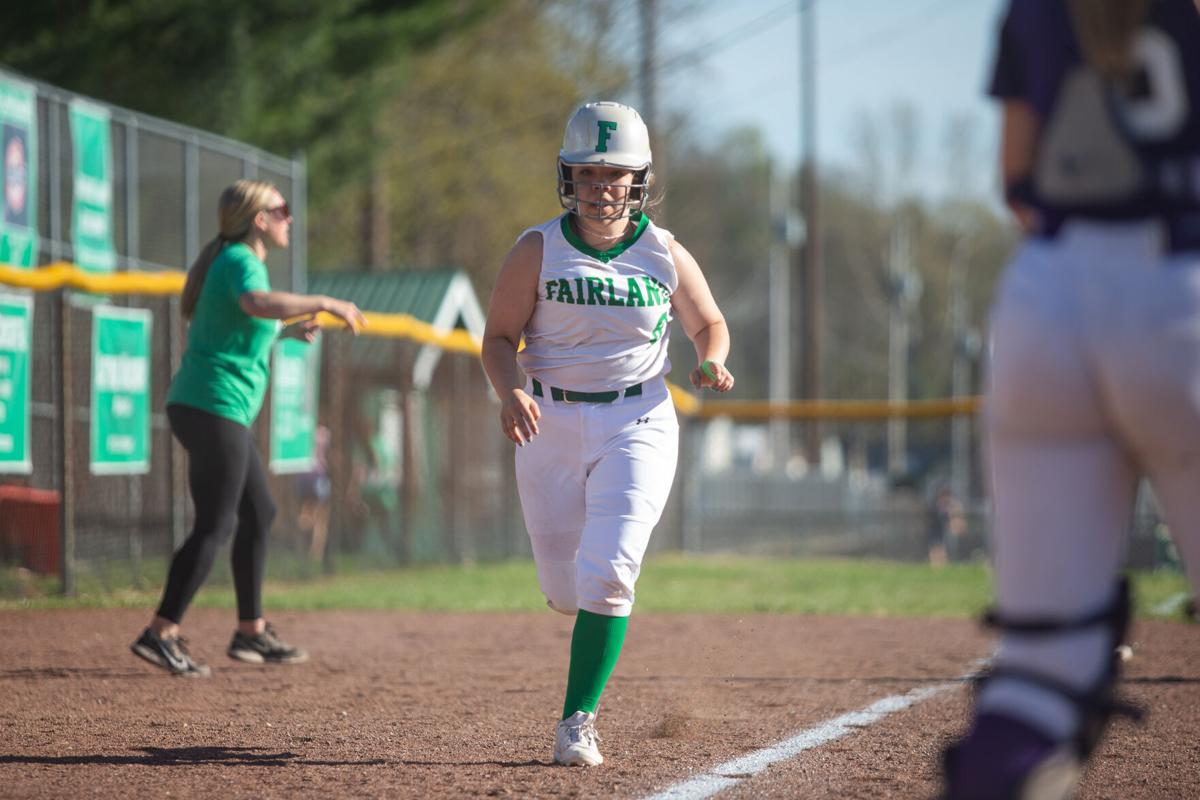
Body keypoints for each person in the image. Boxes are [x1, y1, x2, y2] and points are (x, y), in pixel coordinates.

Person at [942, 1, 1200, 797]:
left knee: (1039, 678)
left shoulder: (1038, 6)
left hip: (1045, 299)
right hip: (1186, 282)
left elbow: (1018, 178)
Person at [481, 101, 734, 766]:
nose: (601, 186)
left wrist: (712, 357)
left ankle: (576, 722)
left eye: (614, 173)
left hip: (639, 419)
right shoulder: (537, 248)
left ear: (639, 179)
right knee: (568, 593)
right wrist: (510, 390)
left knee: (611, 573)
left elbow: (708, 321)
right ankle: (582, 625)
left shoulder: (663, 250)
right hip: (549, 421)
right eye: (587, 172)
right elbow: (499, 339)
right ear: (567, 176)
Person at [130, 179, 366, 677]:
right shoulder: (240, 259)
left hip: (213, 407)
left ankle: (251, 632)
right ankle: (161, 630)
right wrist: (322, 301)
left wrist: (286, 331)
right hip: (211, 405)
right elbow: (255, 304)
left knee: (259, 510)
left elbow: (242, 325)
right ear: (259, 219)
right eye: (282, 209)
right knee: (217, 524)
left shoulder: (237, 261)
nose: (289, 217)